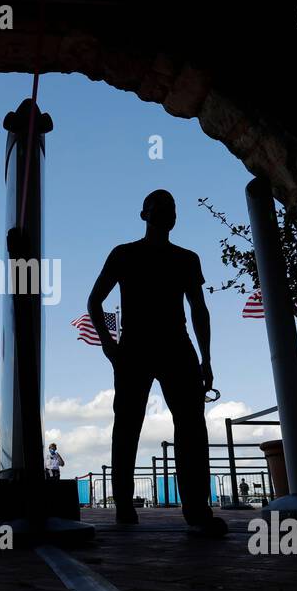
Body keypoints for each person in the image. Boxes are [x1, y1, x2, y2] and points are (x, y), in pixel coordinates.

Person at [87, 190, 228, 536]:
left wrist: (206, 358)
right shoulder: (124, 254)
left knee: (190, 426)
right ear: (144, 214)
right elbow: (94, 301)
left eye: (170, 207)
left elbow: (199, 310)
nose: (166, 211)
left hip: (174, 346)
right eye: (159, 206)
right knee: (130, 424)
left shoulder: (186, 259)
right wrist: (109, 345)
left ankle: (195, 508)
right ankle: (124, 504)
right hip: (136, 346)